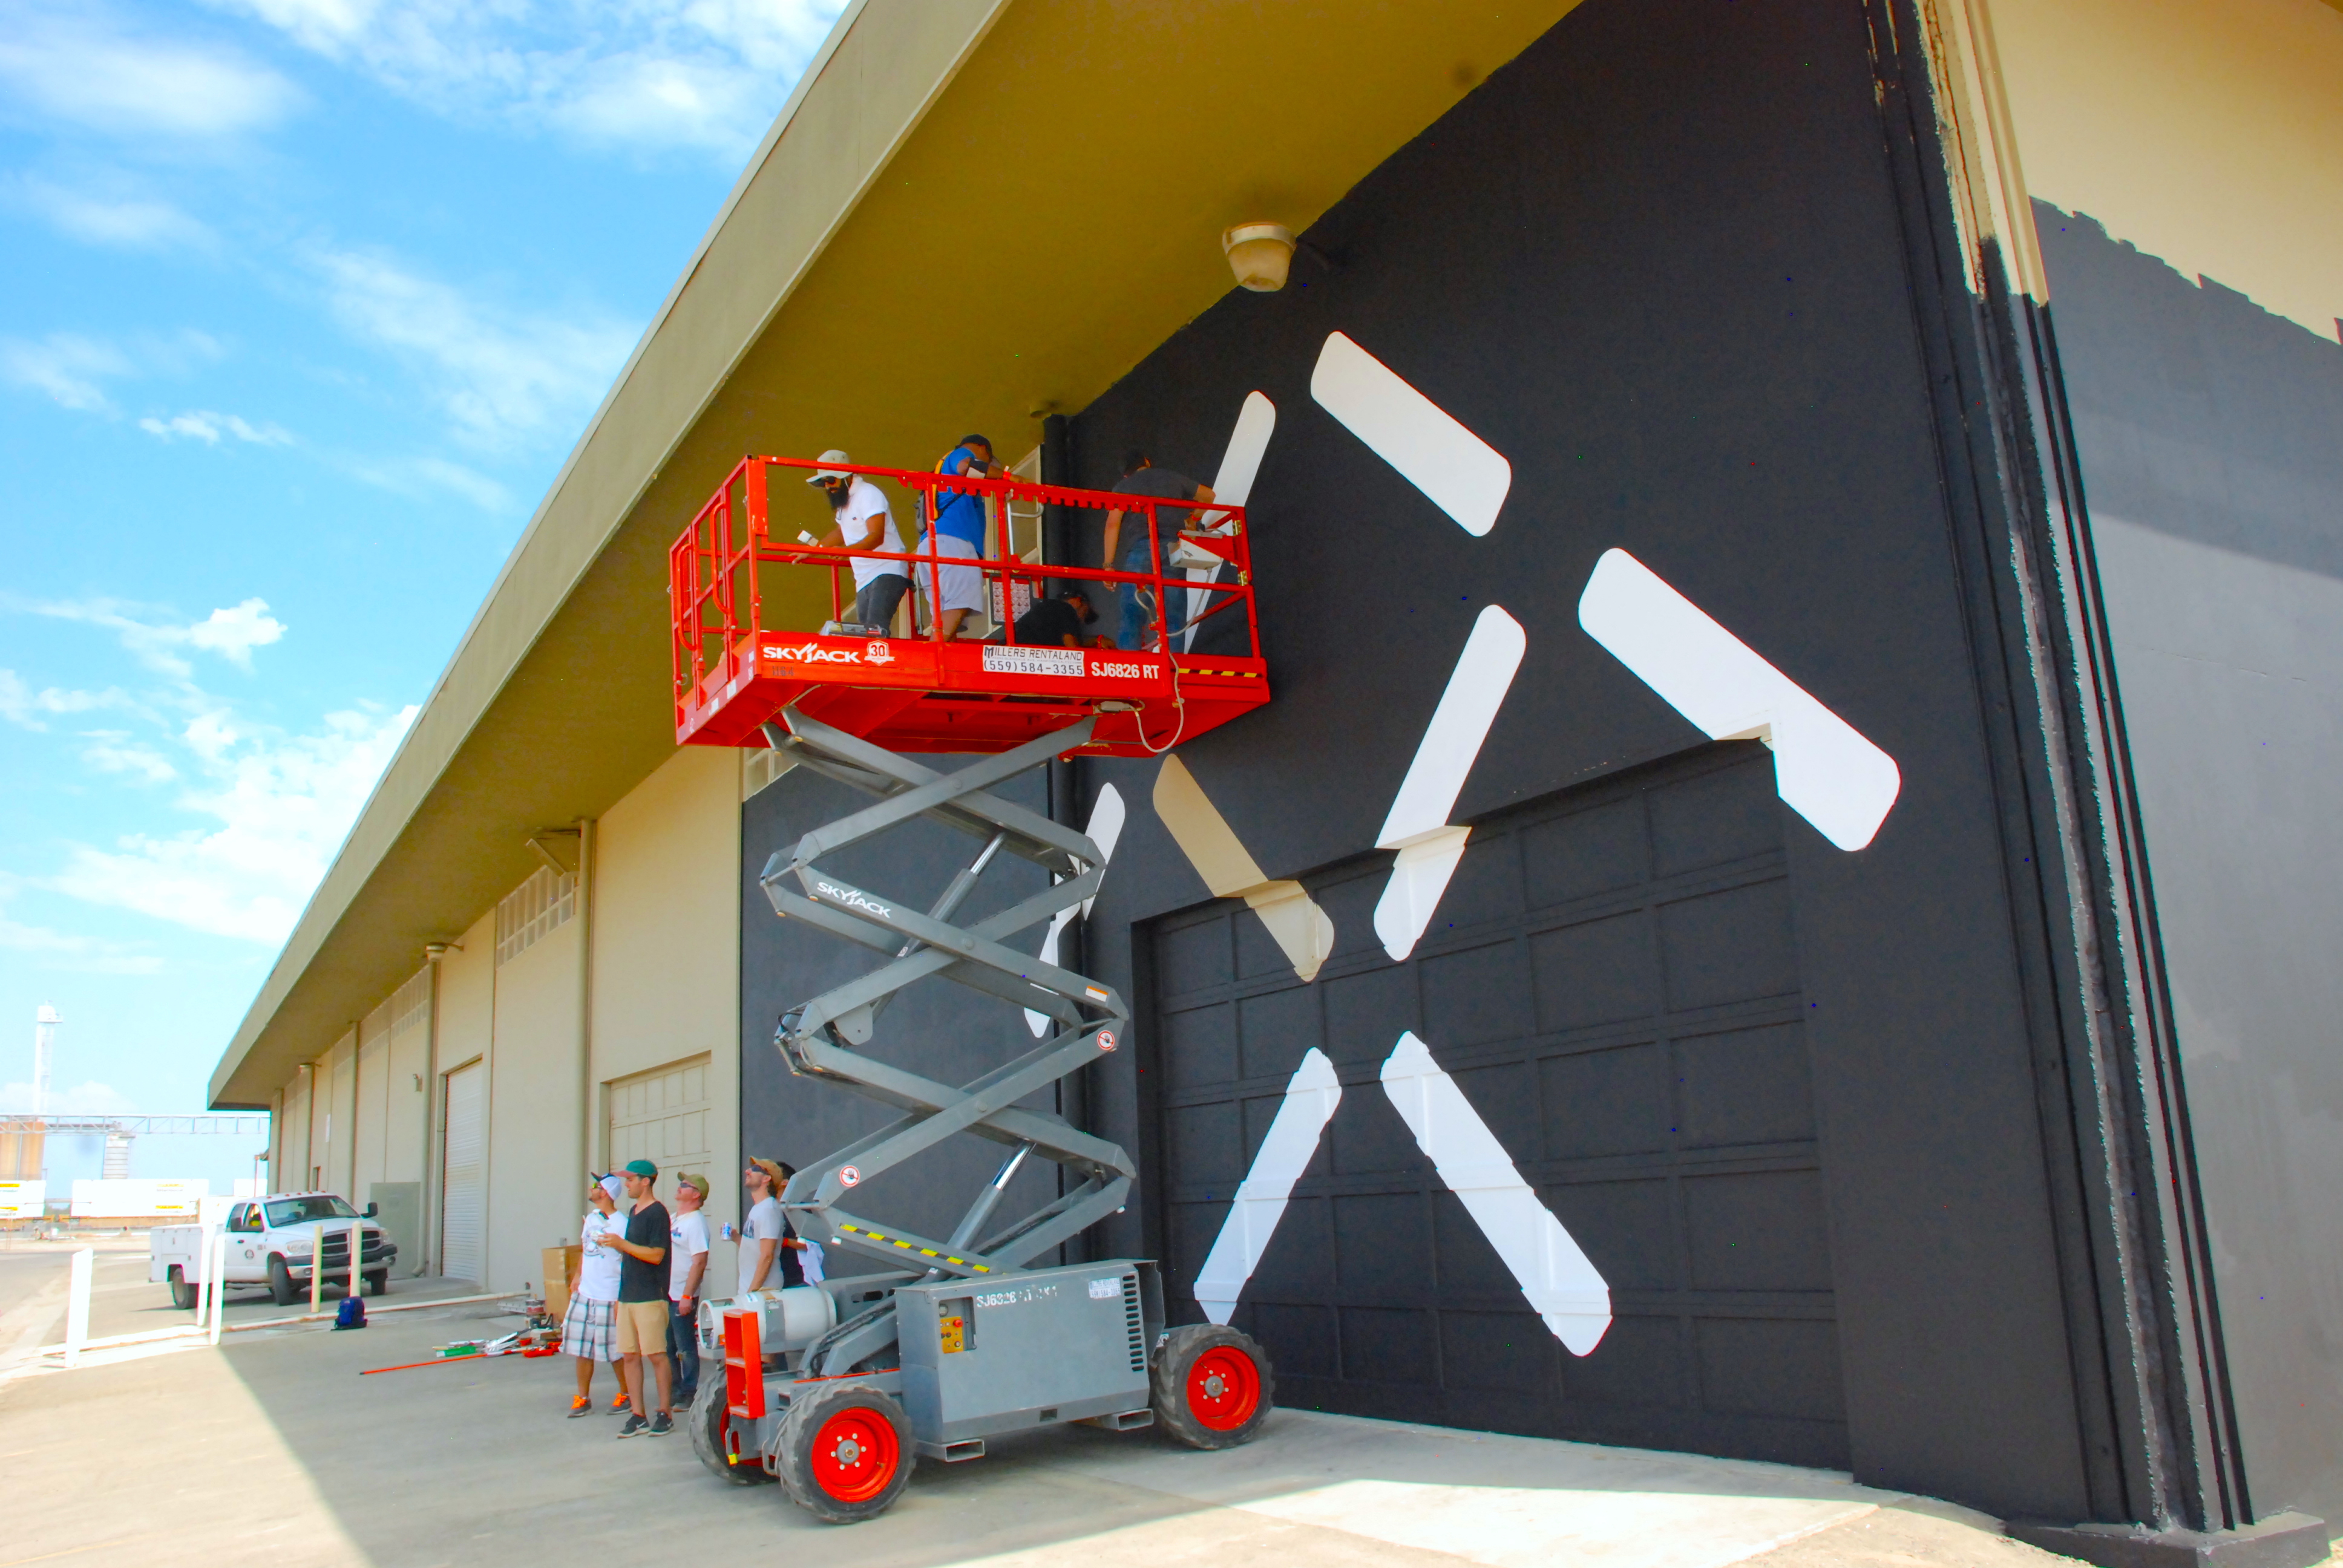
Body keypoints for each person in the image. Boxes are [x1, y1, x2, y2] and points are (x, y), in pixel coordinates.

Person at [1101, 451, 1214, 652]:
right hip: (1173, 548)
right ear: (1147, 463)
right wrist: (1193, 517)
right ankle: (1174, 665)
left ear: (1126, 474)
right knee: (1175, 615)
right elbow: (1209, 495)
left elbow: (1113, 524)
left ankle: (1131, 665)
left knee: (1133, 613)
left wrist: (1108, 565)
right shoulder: (1170, 477)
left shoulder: (1124, 487)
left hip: (1142, 549)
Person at [595, 1158, 672, 1437]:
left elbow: (656, 1254)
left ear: (646, 1181)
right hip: (629, 1295)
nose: (626, 1184)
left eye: (630, 1179)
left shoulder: (658, 1213)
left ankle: (665, 1411)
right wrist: (620, 1297)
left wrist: (622, 1244)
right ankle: (637, 1414)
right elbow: (633, 1255)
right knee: (629, 1355)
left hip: (651, 1295)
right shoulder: (635, 1211)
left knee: (656, 1355)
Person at [805, 450, 909, 633]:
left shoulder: (868, 494)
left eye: (831, 480)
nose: (828, 487)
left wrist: (845, 552)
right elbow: (841, 532)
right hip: (863, 579)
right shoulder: (845, 501)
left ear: (847, 476)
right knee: (866, 634)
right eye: (823, 483)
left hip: (887, 570)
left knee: (874, 632)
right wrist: (815, 550)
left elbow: (876, 537)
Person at [922, 435, 1009, 641]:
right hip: (954, 541)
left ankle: (941, 659)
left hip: (934, 544)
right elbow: (965, 466)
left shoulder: (943, 470)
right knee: (960, 602)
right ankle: (932, 653)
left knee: (947, 616)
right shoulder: (963, 453)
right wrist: (1008, 478)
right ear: (982, 449)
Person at [562, 1174, 624, 1417]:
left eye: (597, 1186)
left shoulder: (622, 1224)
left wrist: (621, 1297)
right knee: (581, 1348)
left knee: (615, 1350)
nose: (592, 1188)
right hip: (585, 1293)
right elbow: (586, 1250)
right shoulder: (591, 1219)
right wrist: (578, 1275)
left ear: (606, 1192)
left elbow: (626, 1260)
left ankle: (626, 1394)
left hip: (609, 1295)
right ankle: (583, 1397)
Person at [667, 1172, 710, 1408]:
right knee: (668, 1346)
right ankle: (673, 1388)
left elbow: (700, 1261)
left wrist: (687, 1296)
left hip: (681, 1295)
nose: (679, 1188)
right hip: (667, 1291)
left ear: (696, 1195)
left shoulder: (696, 1222)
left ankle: (689, 1390)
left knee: (685, 1346)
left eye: (685, 1186)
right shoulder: (675, 1218)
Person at [1008, 585, 1110, 649]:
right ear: (1077, 602)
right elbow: (1072, 649)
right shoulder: (1067, 609)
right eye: (1085, 614)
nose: (1081, 622)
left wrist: (1098, 640)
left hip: (1009, 653)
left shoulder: (1046, 610)